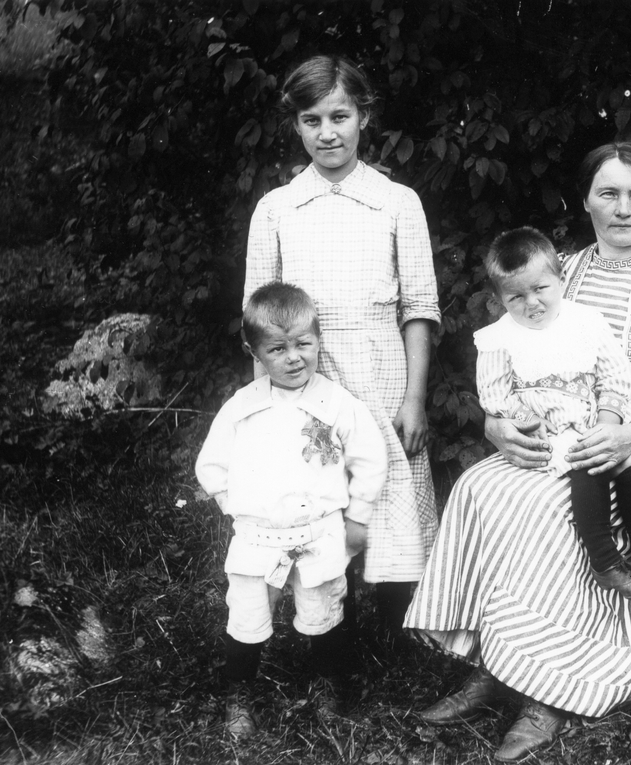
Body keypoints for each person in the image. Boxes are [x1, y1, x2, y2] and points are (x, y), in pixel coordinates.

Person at [405, 142, 631, 762]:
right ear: (585, 201)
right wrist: (498, 428)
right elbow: (512, 369)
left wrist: (628, 433)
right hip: (561, 425)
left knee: (554, 506)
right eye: (608, 193)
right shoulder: (564, 269)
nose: (624, 208)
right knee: (481, 485)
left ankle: (544, 688)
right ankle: (494, 659)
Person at [243, 55, 440, 637]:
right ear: (295, 125)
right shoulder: (277, 209)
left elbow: (419, 310)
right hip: (307, 379)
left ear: (364, 116)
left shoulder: (397, 202)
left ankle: (398, 633)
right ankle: (332, 630)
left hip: (381, 373)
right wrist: (264, 406)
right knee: (318, 496)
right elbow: (257, 321)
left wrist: (415, 397)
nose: (327, 133)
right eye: (311, 120)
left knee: (392, 496)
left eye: (339, 116)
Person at [196, 283, 387, 736]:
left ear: (319, 339)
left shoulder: (336, 404)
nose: (294, 357)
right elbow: (211, 464)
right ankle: (239, 690)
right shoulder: (243, 407)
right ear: (254, 351)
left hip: (320, 534)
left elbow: (370, 460)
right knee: (245, 618)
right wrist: (237, 508)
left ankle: (328, 682)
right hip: (257, 538)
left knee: (324, 614)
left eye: (304, 343)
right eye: (277, 349)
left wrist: (357, 516)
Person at [476, 226, 631, 600]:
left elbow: (616, 375)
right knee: (585, 465)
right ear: (499, 299)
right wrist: (525, 417)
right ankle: (606, 564)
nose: (531, 304)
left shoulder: (585, 322)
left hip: (594, 422)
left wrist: (608, 421)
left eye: (540, 289)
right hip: (543, 433)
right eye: (516, 297)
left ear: (560, 279)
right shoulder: (499, 338)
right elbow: (493, 394)